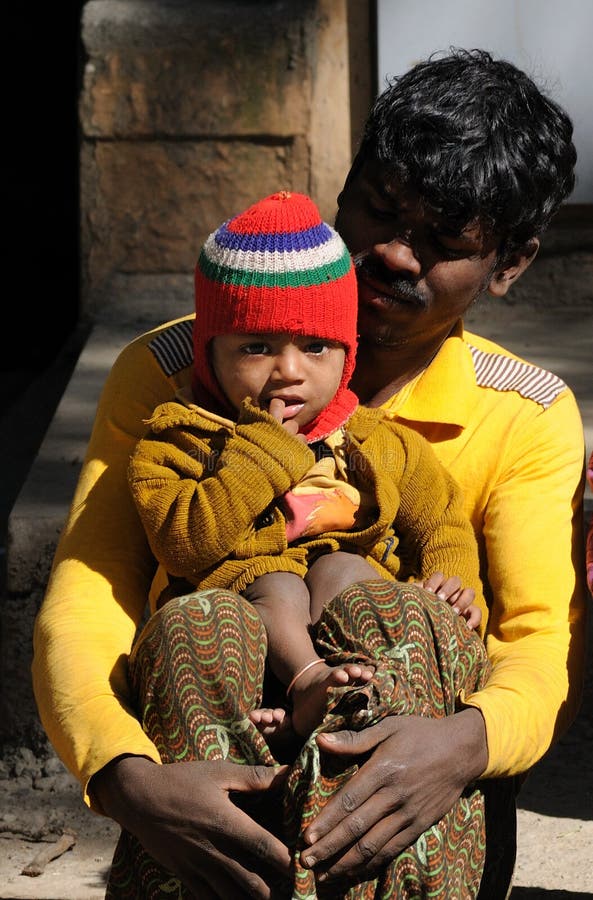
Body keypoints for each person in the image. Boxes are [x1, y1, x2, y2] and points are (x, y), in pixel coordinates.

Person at [31, 48, 587, 899]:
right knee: (194, 625)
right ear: (341, 191)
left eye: (443, 241)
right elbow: (89, 596)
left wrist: (463, 744)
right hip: (204, 774)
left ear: (508, 265)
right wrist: (120, 773)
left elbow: (536, 644)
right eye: (380, 210)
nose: (397, 255)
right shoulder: (177, 371)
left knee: (402, 613)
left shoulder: (526, 412)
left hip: (411, 796)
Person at [128, 190, 484, 744]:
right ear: (210, 352)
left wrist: (457, 584)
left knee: (352, 574)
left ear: (348, 353)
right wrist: (263, 455)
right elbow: (183, 542)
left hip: (348, 623)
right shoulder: (182, 438)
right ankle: (306, 684)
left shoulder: (375, 440)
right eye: (255, 347)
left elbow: (440, 518)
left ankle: (364, 705)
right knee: (275, 587)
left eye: (316, 346)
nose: (289, 370)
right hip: (246, 623)